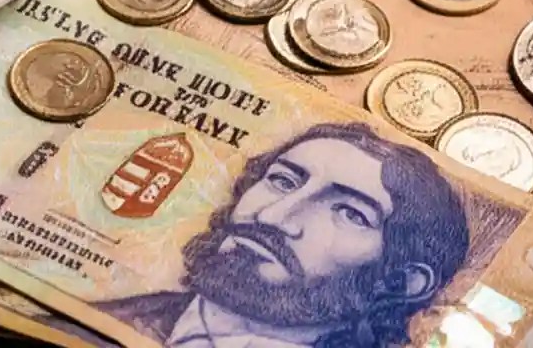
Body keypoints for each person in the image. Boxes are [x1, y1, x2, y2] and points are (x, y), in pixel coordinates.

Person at [98, 122, 469, 348]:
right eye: (281, 181)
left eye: (350, 213)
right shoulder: (89, 323)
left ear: (401, 281)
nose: (274, 216)